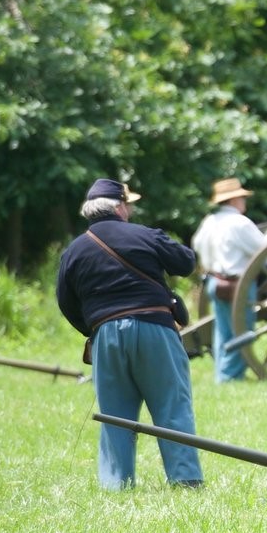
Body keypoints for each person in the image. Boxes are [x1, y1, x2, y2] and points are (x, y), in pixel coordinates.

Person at [56, 178, 204, 490]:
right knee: (171, 407)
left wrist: (96, 326)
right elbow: (186, 262)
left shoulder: (73, 251)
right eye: (130, 204)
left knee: (114, 416)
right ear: (120, 206)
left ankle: (116, 485)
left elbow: (66, 302)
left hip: (105, 334)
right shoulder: (146, 235)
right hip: (155, 329)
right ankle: (186, 480)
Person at [190, 177, 267, 383]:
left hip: (215, 281)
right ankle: (229, 378)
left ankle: (222, 374)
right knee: (241, 331)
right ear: (234, 200)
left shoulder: (209, 221)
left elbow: (197, 244)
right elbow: (263, 250)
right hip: (237, 285)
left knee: (223, 332)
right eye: (242, 197)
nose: (244, 200)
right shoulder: (240, 223)